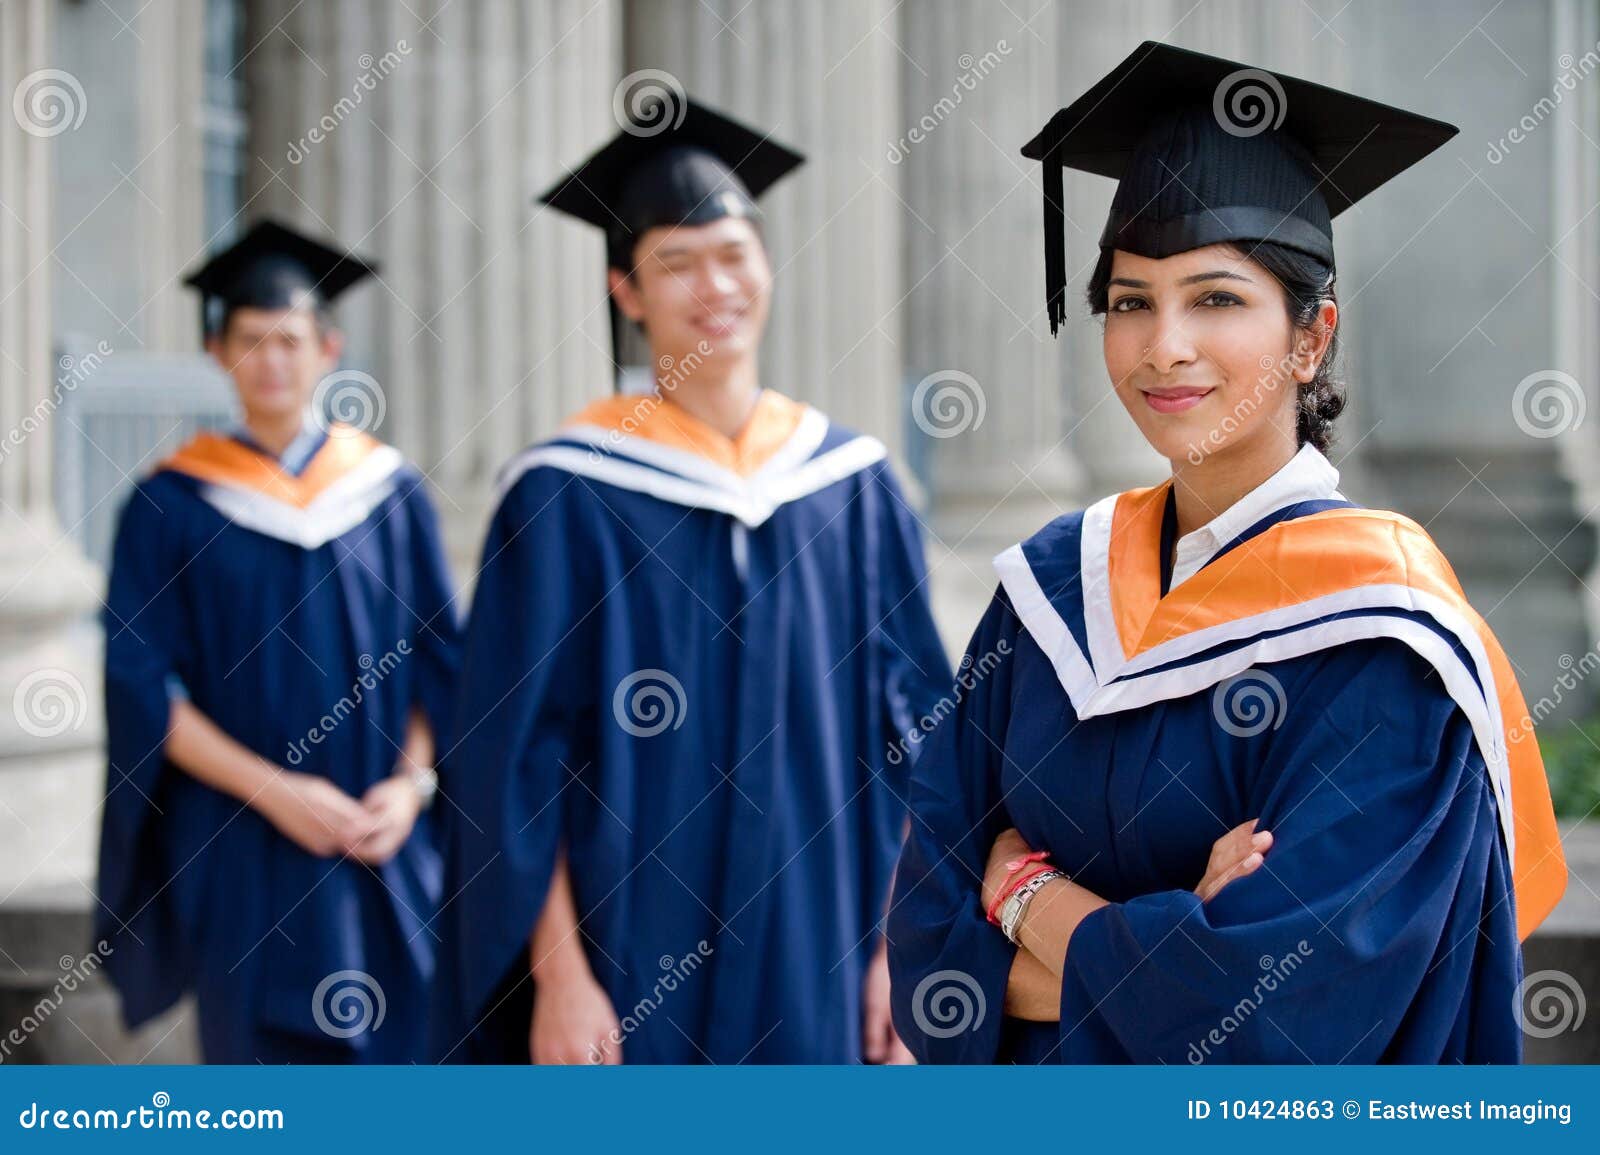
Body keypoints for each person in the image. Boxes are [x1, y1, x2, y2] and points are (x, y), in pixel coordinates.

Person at [888, 41, 1567, 1064]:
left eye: (1214, 298)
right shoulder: (1049, 596)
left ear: (1309, 338)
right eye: (1128, 302)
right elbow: (928, 961)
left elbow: (1269, 1021)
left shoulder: (1385, 643)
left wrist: (1026, 898)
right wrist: (1167, 948)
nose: (1163, 345)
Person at [433, 98, 951, 1064]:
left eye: (733, 252)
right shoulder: (565, 493)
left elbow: (916, 735)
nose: (715, 285)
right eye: (676, 261)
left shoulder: (852, 486)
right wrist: (561, 977)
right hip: (626, 953)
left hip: (820, 952)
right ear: (626, 290)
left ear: (765, 263)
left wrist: (897, 951)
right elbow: (507, 761)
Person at [96, 219, 462, 1063]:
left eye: (290, 339)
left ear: (327, 349)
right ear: (217, 351)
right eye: (251, 339)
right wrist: (275, 791)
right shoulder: (170, 505)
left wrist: (409, 790)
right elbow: (143, 685)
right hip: (243, 845)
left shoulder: (388, 493)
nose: (272, 360)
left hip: (381, 840)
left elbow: (441, 659)